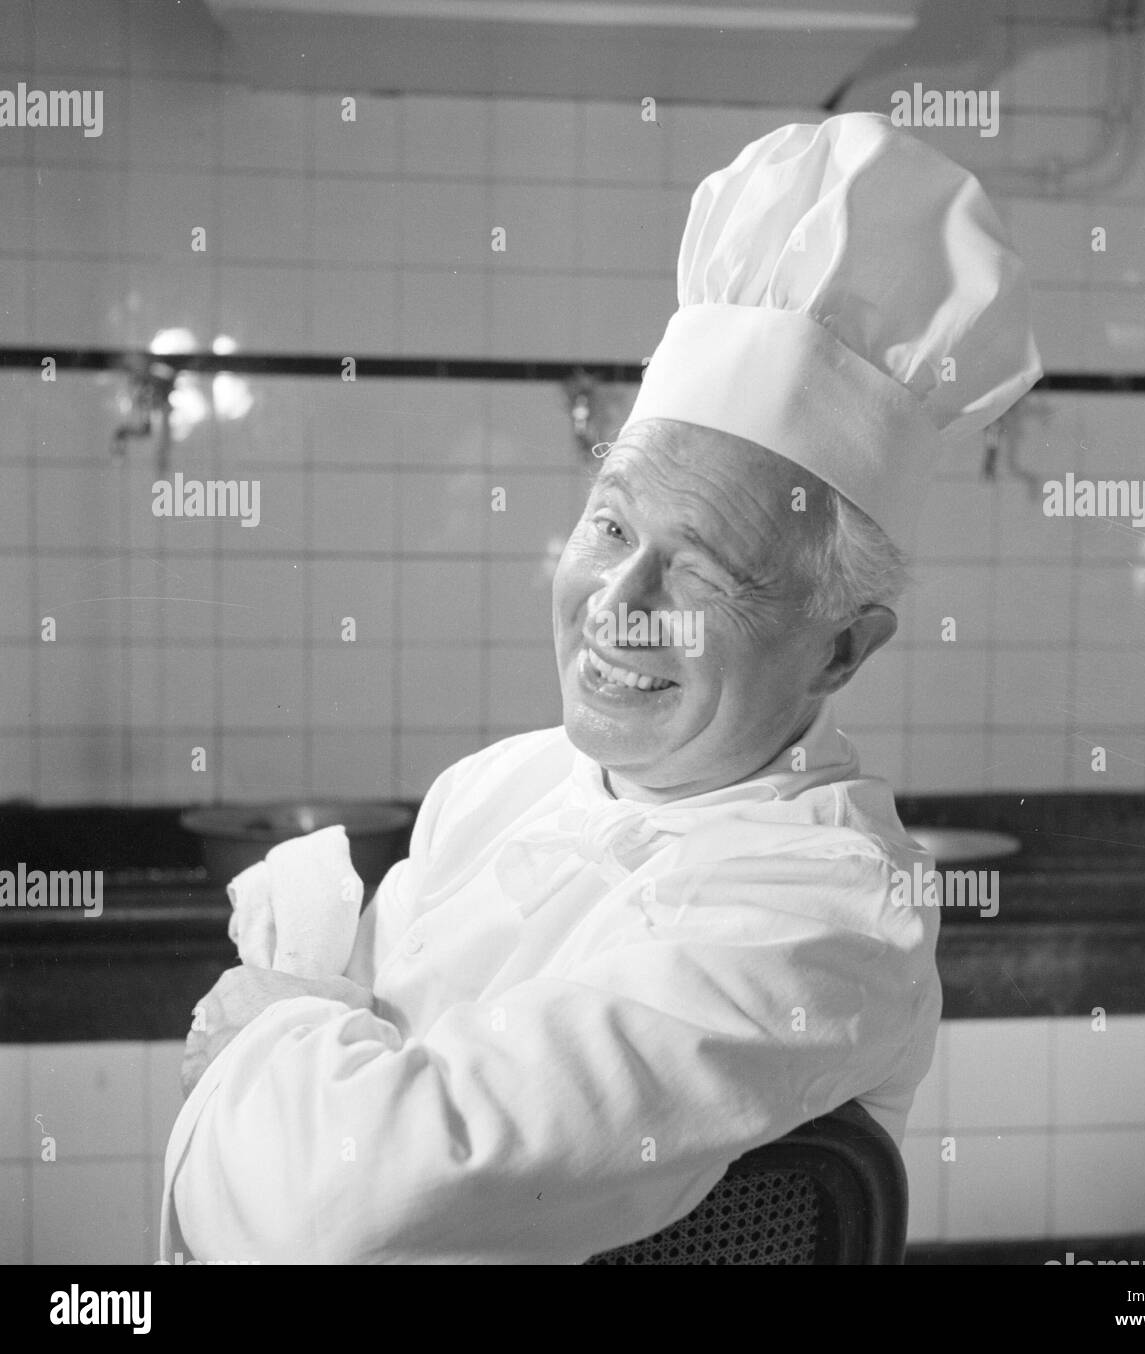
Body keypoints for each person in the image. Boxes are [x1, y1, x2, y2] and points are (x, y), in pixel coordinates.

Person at [162, 111, 1040, 1264]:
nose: (616, 600)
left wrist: (276, 1016)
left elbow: (328, 1205)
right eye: (612, 523)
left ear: (840, 650)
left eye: (706, 569)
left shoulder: (821, 915)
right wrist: (309, 1056)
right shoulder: (491, 788)